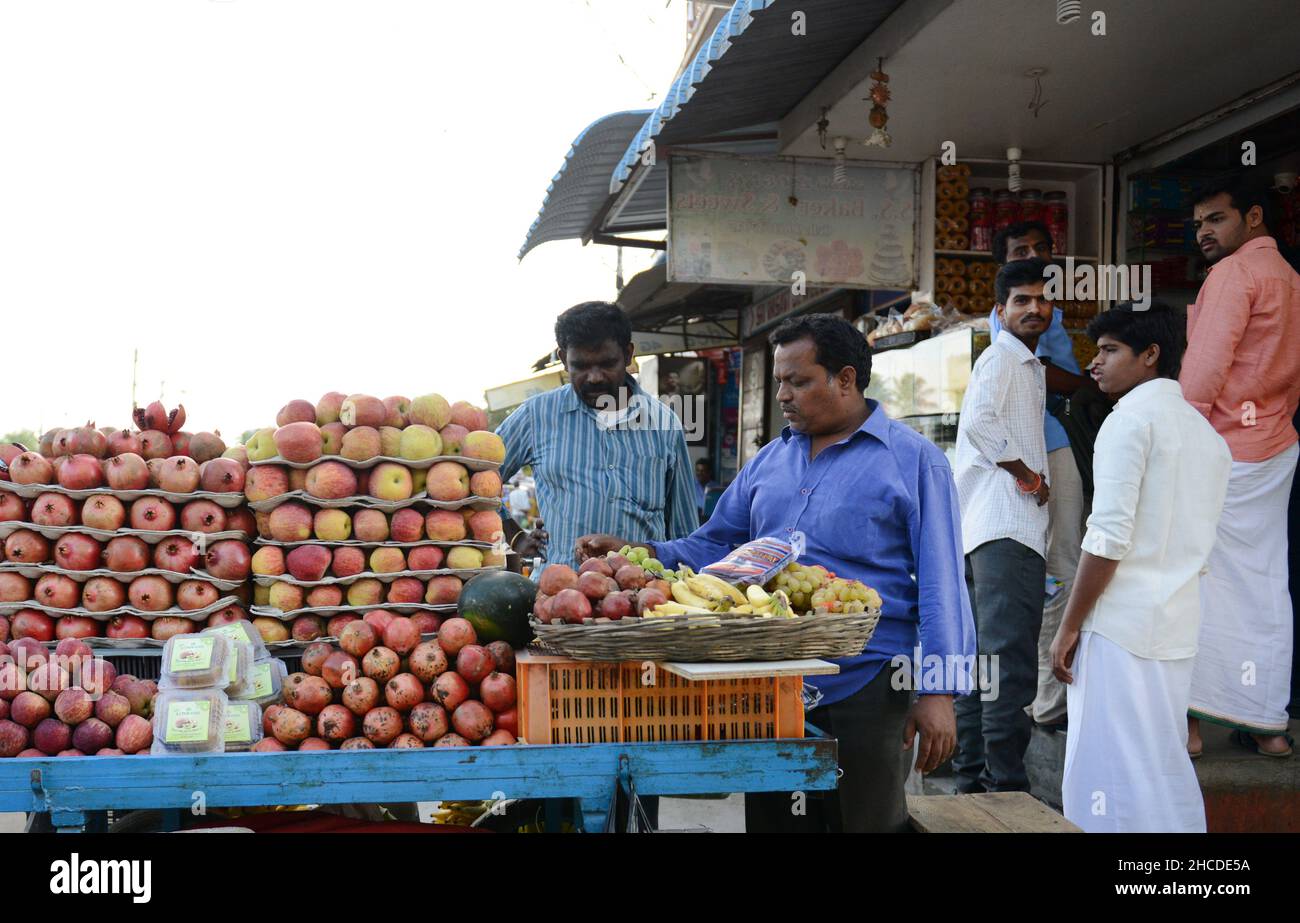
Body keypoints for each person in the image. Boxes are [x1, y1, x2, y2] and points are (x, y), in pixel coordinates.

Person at [576, 313, 976, 833]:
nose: (783, 394)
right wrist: (638, 550)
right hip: (772, 683)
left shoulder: (914, 461)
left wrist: (939, 691)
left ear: (846, 379)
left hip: (870, 679)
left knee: (869, 822)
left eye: (799, 380)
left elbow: (944, 581)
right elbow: (715, 544)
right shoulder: (769, 460)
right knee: (777, 823)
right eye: (780, 382)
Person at [1052, 302, 1230, 832]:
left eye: (1109, 350)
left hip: (1119, 626)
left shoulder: (1127, 422)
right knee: (1161, 764)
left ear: (1151, 355)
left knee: (1105, 771)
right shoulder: (1208, 436)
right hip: (1176, 625)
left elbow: (1106, 540)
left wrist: (1069, 624)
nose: (1095, 364)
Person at [1182, 176, 1300, 757]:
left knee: (1199, 581)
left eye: (1215, 218)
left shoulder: (1232, 274)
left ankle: (1193, 726)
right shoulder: (1291, 278)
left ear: (1253, 216)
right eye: (1198, 222)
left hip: (1224, 449)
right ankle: (1269, 725)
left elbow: (1203, 372)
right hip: (1276, 445)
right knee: (1263, 582)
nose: (1203, 231)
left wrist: (1180, 435)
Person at [496, 301, 699, 576]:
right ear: (563, 357)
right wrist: (514, 536)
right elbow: (478, 483)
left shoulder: (665, 424)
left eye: (607, 364)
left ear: (628, 355)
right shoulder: (536, 415)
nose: (593, 377)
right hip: (559, 599)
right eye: (580, 366)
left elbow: (685, 531)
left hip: (642, 600)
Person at [952, 258, 1052, 794]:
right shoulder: (1004, 359)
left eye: (1041, 298)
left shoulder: (1023, 364)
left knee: (980, 667)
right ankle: (1005, 787)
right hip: (1005, 533)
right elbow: (981, 424)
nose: (1034, 307)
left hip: (983, 534)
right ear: (1000, 311)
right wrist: (1030, 477)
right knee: (1006, 667)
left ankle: (973, 782)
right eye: (1021, 300)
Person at [991, 221, 1095, 729]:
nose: (1034, 306)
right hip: (1047, 447)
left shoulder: (1038, 307)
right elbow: (986, 427)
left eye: (1040, 250)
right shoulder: (1010, 330)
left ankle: (1044, 697)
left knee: (1059, 569)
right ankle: (1047, 700)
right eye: (1019, 252)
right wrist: (1093, 385)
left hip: (1048, 446)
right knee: (1063, 569)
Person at [693, 456, 719, 523]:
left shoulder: (716, 487)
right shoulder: (691, 486)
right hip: (695, 520)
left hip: (711, 520)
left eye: (702, 471)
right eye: (697, 471)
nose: (699, 474)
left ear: (709, 472)